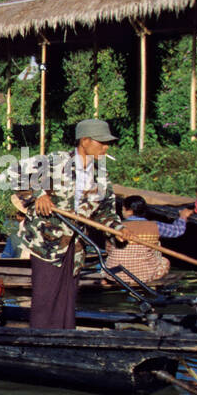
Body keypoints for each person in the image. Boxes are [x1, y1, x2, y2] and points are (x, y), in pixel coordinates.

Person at [14, 118, 120, 330]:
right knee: (45, 298)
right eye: (102, 142)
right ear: (85, 141)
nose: (106, 147)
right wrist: (39, 195)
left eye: (108, 143)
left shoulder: (101, 176)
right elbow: (16, 173)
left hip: (76, 243)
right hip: (46, 243)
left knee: (67, 298)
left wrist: (119, 230)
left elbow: (106, 212)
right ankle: (40, 342)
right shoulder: (56, 161)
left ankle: (65, 338)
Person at [104, 195, 191, 283]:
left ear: (129, 211)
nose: (122, 212)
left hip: (113, 275)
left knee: (110, 252)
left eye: (123, 209)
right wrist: (183, 217)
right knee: (165, 261)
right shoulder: (155, 225)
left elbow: (108, 249)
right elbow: (177, 231)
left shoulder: (116, 227)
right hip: (143, 277)